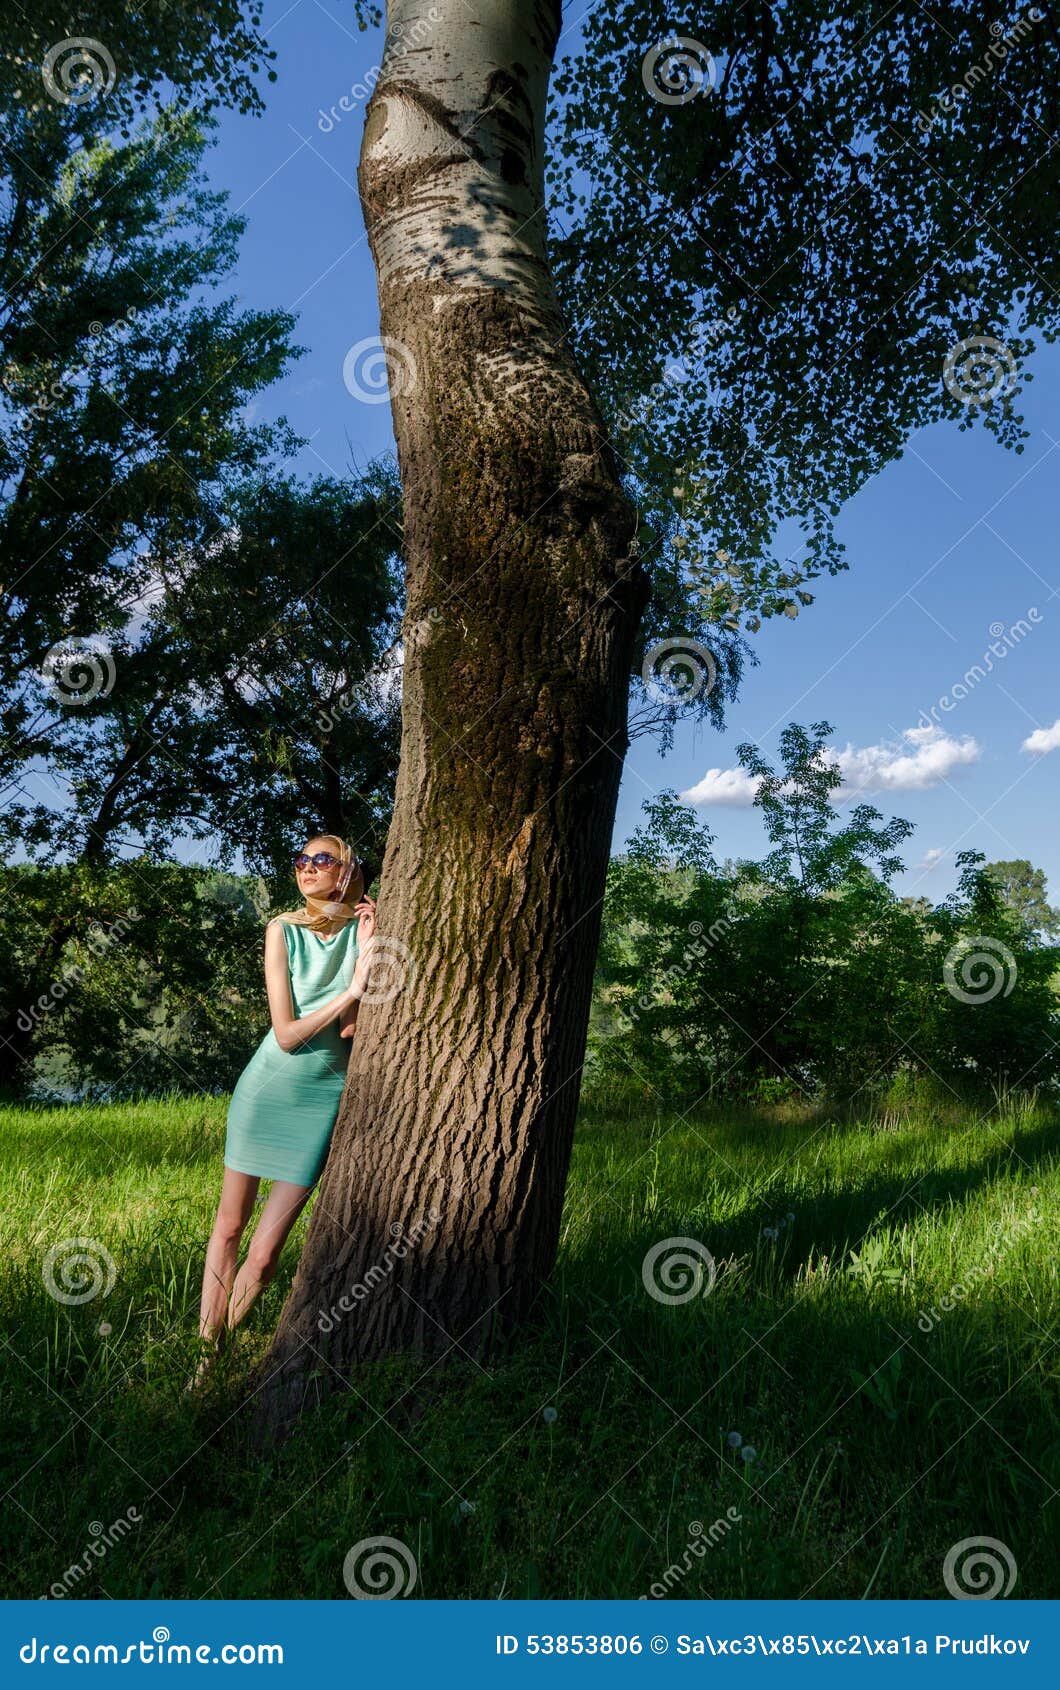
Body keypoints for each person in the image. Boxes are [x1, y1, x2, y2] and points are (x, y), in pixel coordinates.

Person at [189, 832, 376, 1386]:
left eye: (323, 859)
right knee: (228, 1229)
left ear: (347, 871)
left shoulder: (366, 934)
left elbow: (351, 1031)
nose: (308, 867)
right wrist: (351, 988)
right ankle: (205, 1366)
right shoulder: (282, 929)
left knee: (267, 1256)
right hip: (267, 1088)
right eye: (301, 859)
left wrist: (368, 955)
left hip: (321, 1100)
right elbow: (288, 1033)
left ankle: (218, 1354)